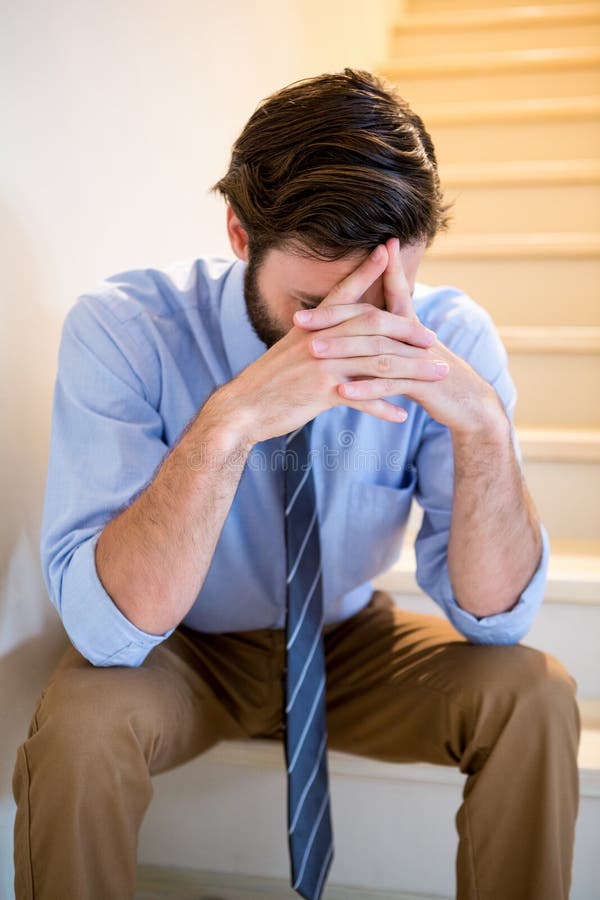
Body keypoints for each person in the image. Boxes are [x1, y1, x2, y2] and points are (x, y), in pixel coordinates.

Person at [13, 68, 580, 900]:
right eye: (318, 302)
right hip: (185, 651)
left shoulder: (450, 337)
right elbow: (109, 634)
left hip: (348, 641)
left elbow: (497, 618)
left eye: (388, 296)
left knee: (535, 694)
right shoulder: (127, 329)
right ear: (241, 235)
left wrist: (483, 426)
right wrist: (233, 419)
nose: (358, 329)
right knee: (79, 726)